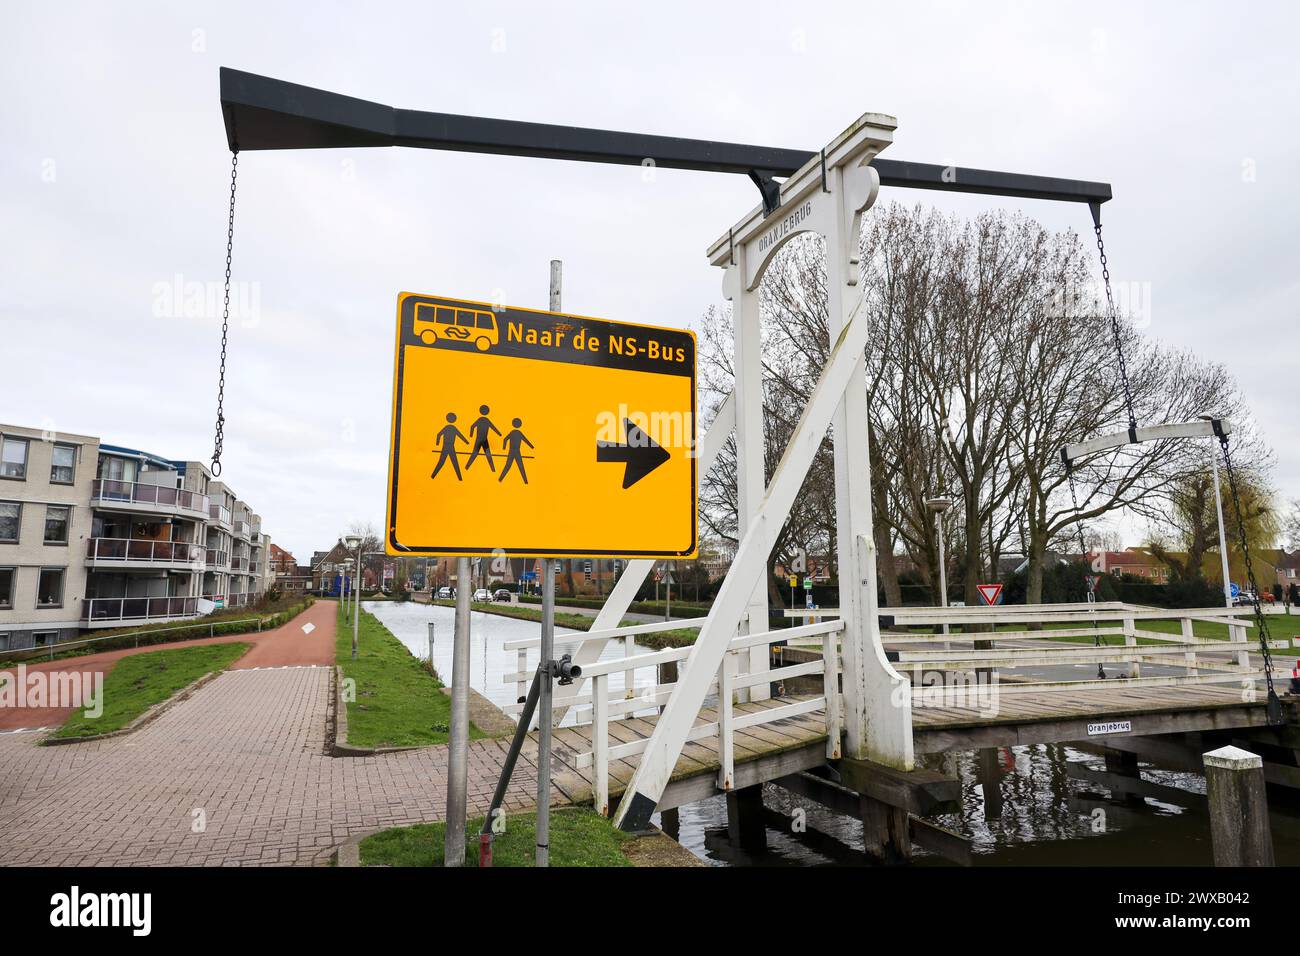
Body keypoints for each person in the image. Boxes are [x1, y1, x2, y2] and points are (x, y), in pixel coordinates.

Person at [431, 412, 468, 480]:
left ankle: (433, 476)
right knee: (452, 463)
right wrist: (466, 442)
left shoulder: (449, 428)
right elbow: (460, 436)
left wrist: (437, 443)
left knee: (445, 462)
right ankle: (460, 478)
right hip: (448, 447)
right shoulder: (452, 428)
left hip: (448, 447)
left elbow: (439, 435)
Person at [466, 404, 502, 472]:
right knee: (476, 454)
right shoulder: (484, 420)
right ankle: (467, 467)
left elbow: (472, 427)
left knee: (486, 454)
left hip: (483, 440)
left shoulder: (483, 420)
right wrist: (499, 434)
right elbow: (472, 426)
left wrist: (499, 434)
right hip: (480, 440)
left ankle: (493, 469)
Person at [499, 418, 534, 484]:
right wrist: (531, 447)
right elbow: (526, 440)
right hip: (516, 452)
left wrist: (504, 447)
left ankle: (500, 479)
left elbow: (505, 439)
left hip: (512, 451)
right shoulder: (519, 433)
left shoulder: (512, 432)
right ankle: (525, 481)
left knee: (508, 466)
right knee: (520, 466)